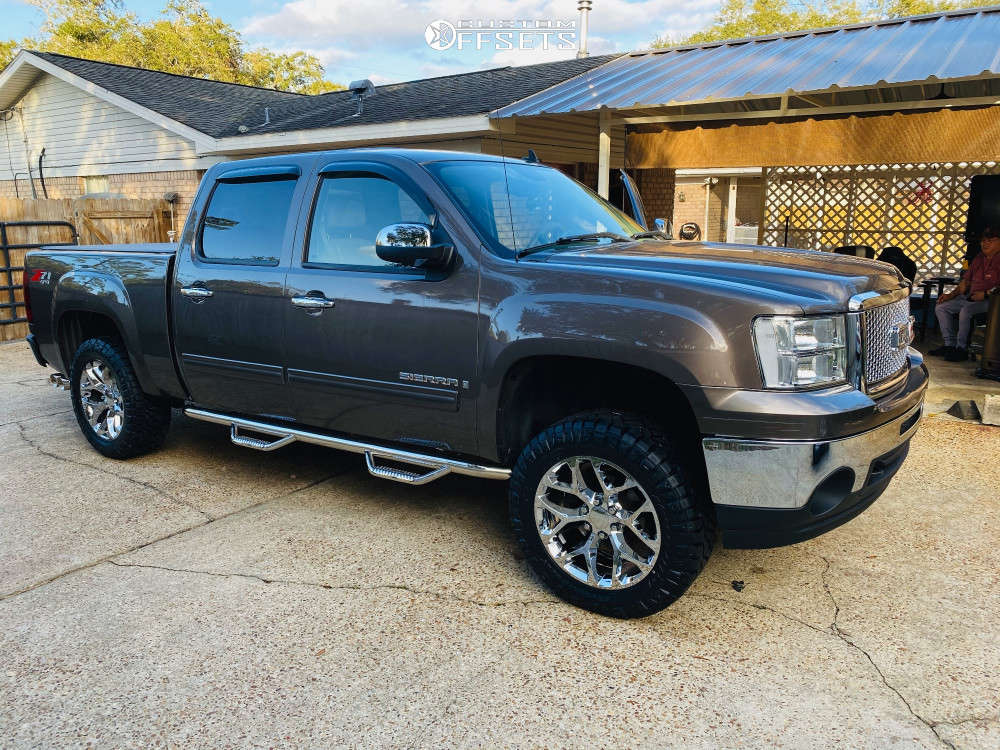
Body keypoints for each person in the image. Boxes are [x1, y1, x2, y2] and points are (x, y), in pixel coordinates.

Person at [932, 226, 1000, 361]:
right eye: (983, 241)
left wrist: (986, 294)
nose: (985, 244)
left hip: (992, 301)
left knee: (966, 311)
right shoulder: (979, 258)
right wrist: (950, 295)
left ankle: (961, 348)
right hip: (971, 297)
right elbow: (965, 281)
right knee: (941, 307)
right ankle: (949, 345)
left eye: (990, 241)